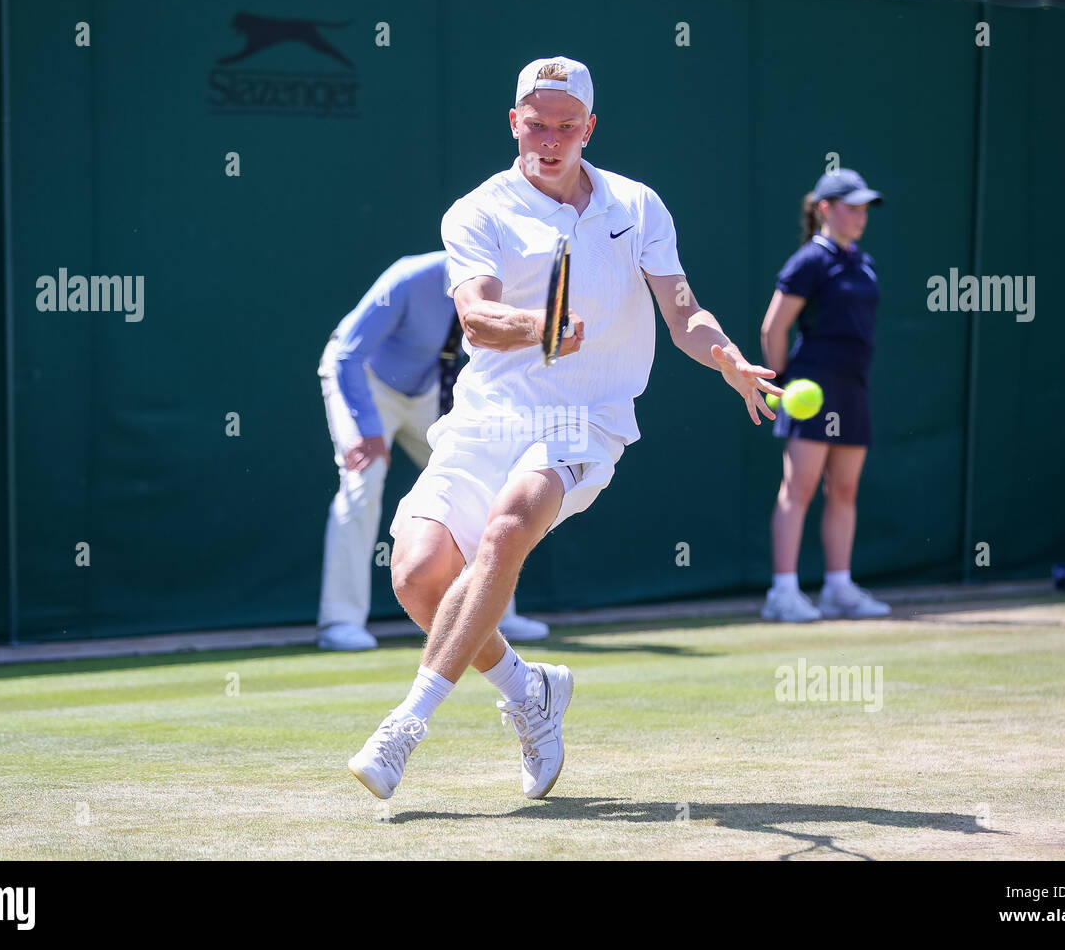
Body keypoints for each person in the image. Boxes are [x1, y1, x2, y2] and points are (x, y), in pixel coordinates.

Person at [347, 56, 783, 800]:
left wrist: (730, 361)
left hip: (589, 420)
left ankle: (405, 726)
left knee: (510, 523)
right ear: (514, 123)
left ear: (589, 129)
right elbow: (477, 318)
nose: (550, 140)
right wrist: (541, 326)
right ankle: (529, 692)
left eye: (566, 126)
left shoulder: (638, 206)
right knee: (419, 578)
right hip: (489, 415)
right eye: (536, 124)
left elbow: (684, 313)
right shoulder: (477, 211)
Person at [316, 251, 549, 651]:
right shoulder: (408, 277)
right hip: (364, 384)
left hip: (427, 391)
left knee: (480, 483)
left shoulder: (504, 291)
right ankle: (340, 621)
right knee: (363, 480)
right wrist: (369, 431)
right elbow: (347, 356)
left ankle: (495, 616)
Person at [758, 169, 891, 622]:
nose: (860, 217)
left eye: (864, 209)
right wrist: (779, 385)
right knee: (800, 488)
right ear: (825, 209)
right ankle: (783, 593)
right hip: (811, 385)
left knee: (846, 489)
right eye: (851, 208)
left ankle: (838, 587)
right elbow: (773, 326)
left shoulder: (862, 261)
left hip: (853, 386)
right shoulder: (809, 261)